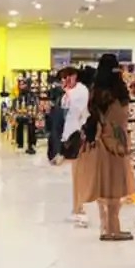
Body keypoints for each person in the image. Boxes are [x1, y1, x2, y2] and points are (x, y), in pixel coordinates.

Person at [84, 54, 135, 241]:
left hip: (98, 145)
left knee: (103, 186)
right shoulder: (118, 94)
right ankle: (114, 228)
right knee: (115, 187)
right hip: (115, 146)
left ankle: (104, 226)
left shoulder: (95, 92)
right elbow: (120, 122)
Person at [59, 66, 92, 227]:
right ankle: (76, 208)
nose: (64, 82)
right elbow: (64, 107)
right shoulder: (69, 93)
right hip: (70, 136)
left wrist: (67, 92)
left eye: (67, 78)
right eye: (62, 78)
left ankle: (81, 210)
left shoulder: (81, 91)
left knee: (80, 176)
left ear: (74, 77)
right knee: (75, 176)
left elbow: (77, 109)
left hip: (78, 136)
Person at [46, 75, 65, 163]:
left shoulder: (53, 89)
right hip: (59, 112)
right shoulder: (61, 90)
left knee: (54, 134)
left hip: (54, 112)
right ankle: (56, 154)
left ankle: (52, 155)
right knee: (57, 134)